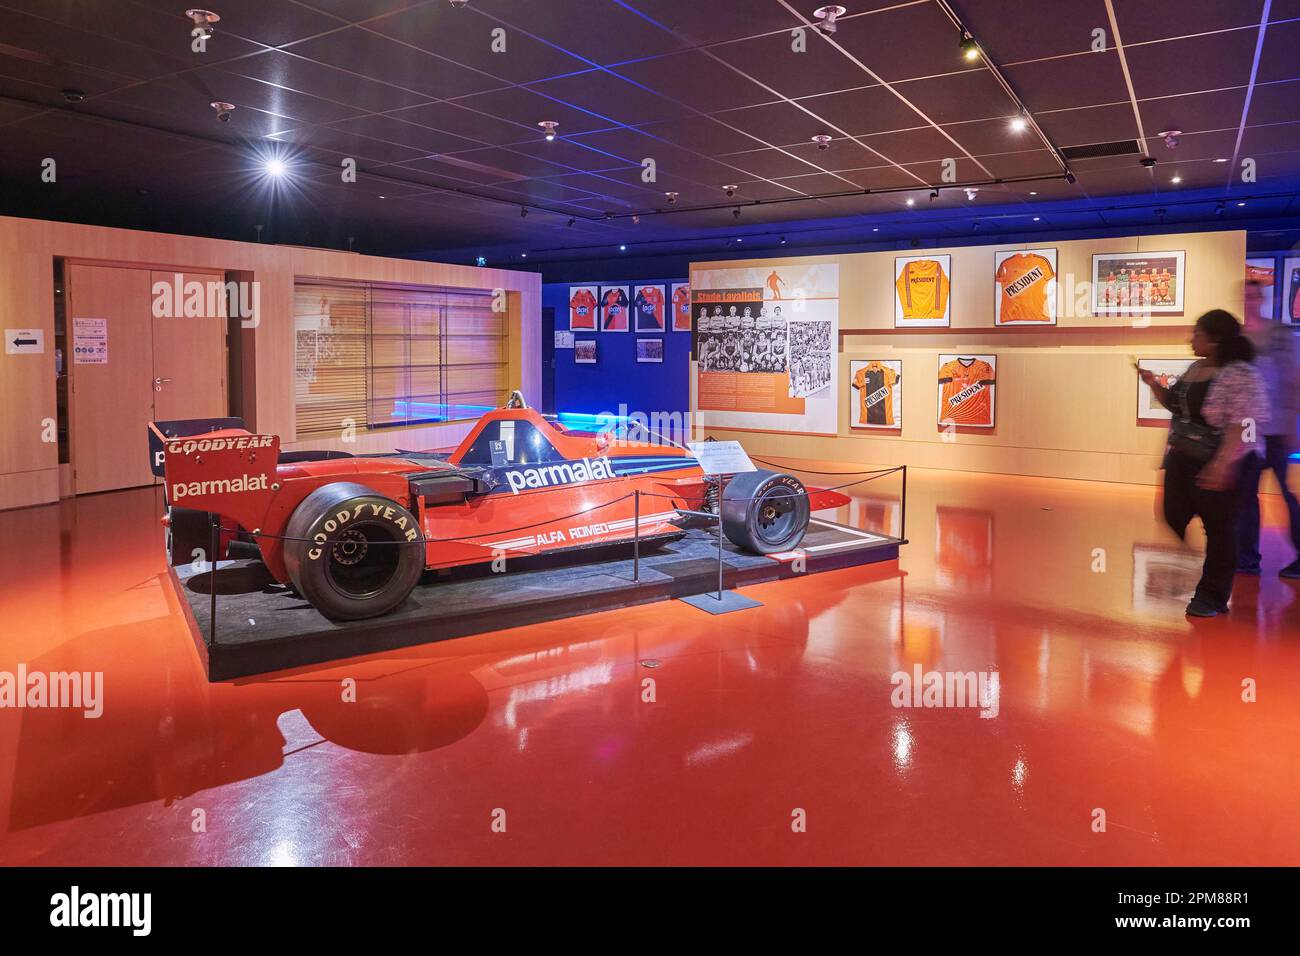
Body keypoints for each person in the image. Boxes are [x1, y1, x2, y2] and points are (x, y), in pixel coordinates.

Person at [1140, 310, 1269, 617]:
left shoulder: (1239, 375)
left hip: (1226, 457)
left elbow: (1243, 424)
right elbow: (1176, 404)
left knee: (1221, 529)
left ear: (1213, 341)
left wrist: (1223, 463)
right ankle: (1200, 559)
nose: (1191, 339)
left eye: (1196, 334)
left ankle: (1211, 596)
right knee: (1172, 510)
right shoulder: (1196, 367)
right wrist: (1154, 384)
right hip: (1186, 455)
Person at [1236, 278, 1300, 578]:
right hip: (1250, 430)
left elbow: (1292, 379)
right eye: (1245, 295)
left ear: (1261, 298)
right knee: (1247, 494)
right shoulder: (1238, 337)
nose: (1250, 300)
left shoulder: (1278, 334)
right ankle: (1247, 558)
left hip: (1275, 429)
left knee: (1286, 493)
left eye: (1254, 295)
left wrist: (1290, 426)